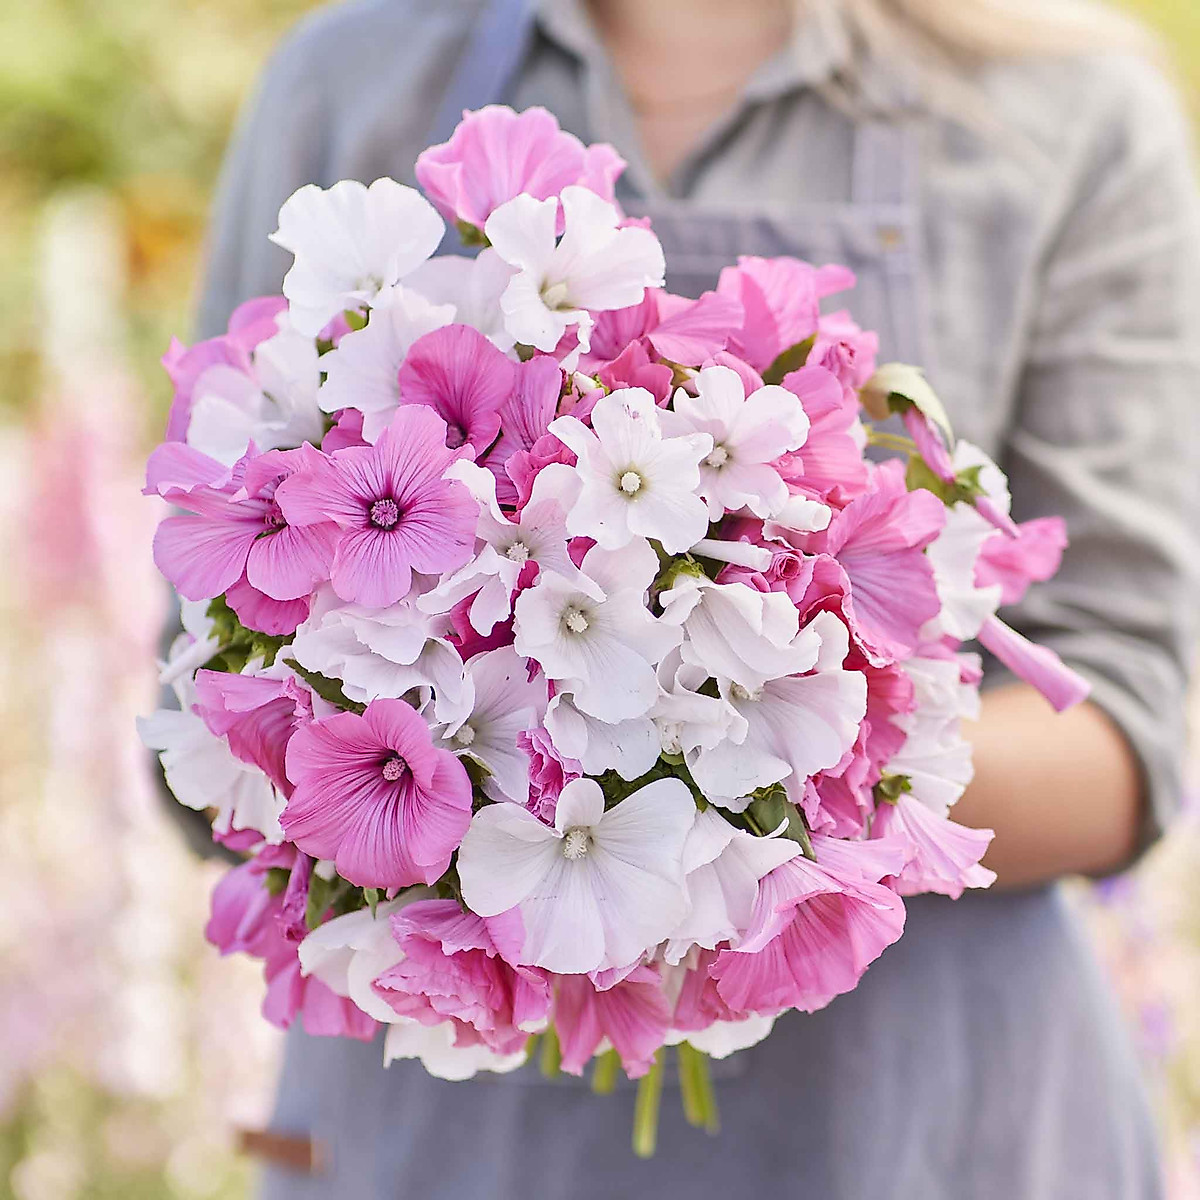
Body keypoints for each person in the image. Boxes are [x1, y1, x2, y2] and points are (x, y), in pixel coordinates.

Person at [195, 0, 1200, 1196]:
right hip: (444, 1135)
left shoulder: (1066, 108)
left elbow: (1125, 727)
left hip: (909, 1126)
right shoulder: (349, 76)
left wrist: (720, 765)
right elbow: (215, 674)